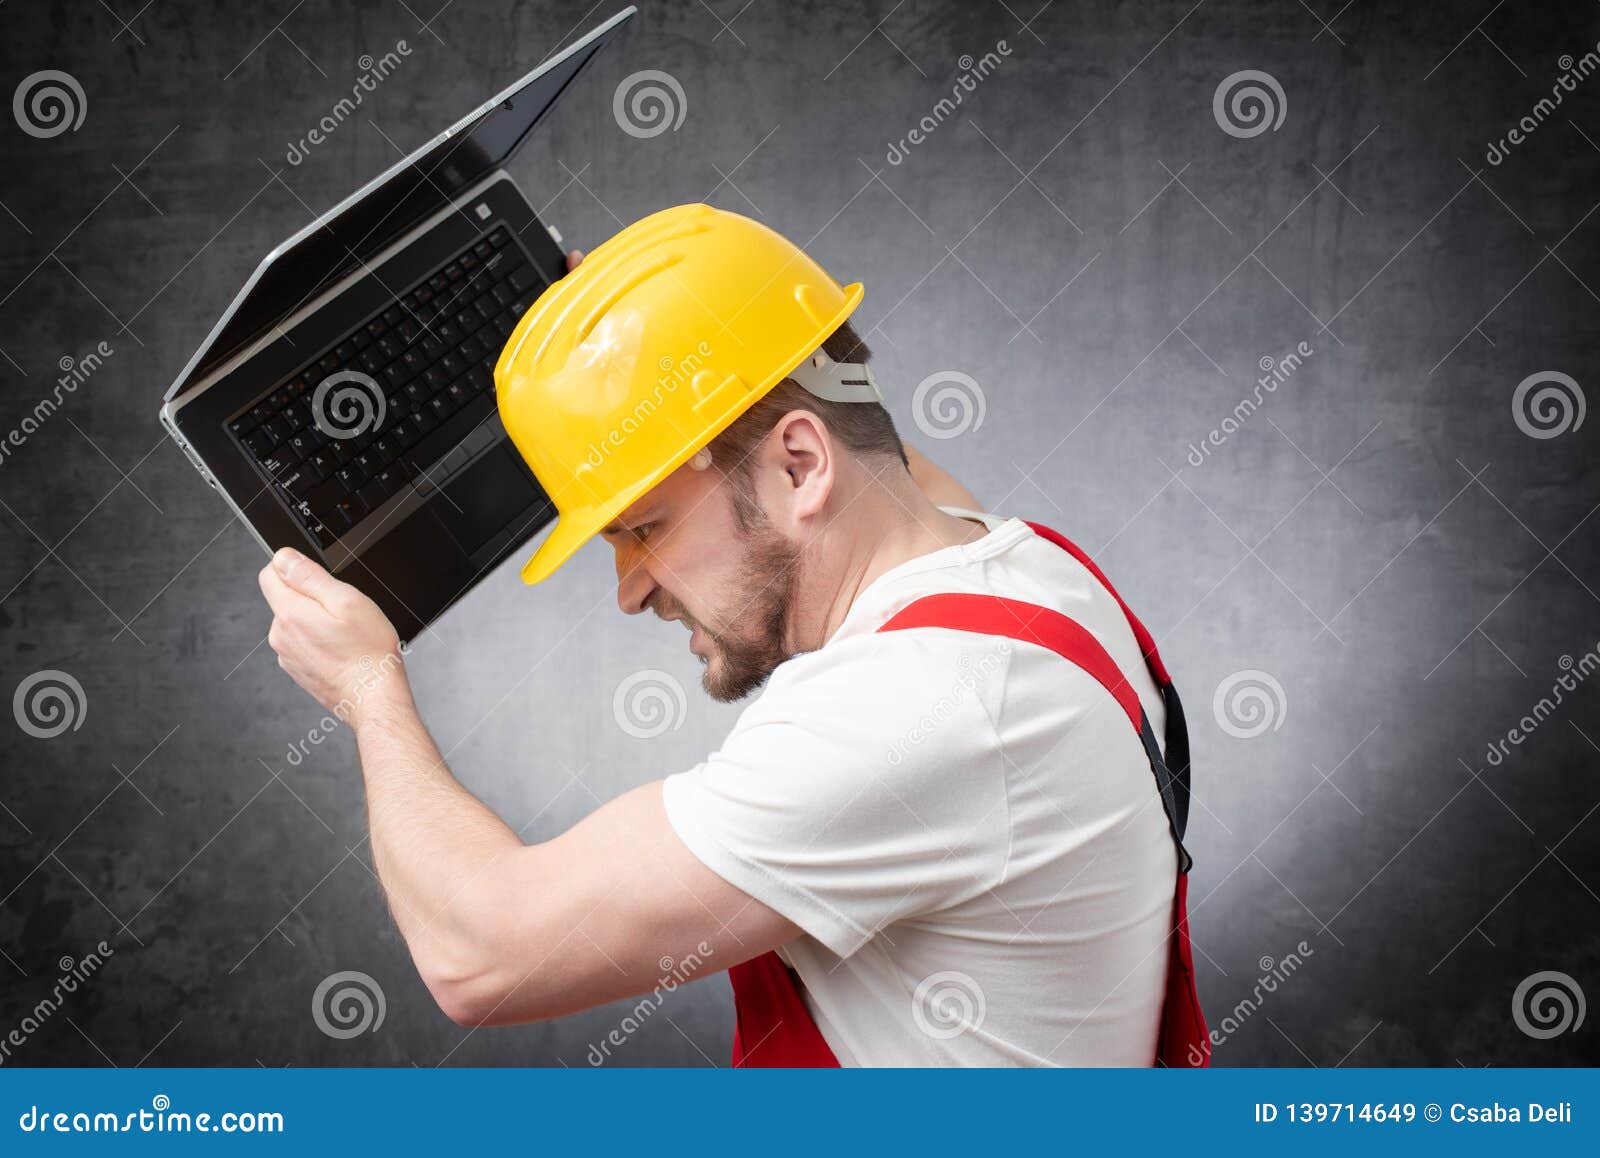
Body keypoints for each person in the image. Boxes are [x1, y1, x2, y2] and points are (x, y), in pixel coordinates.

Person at [258, 203, 1205, 1066]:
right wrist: (628, 354)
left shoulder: (908, 712)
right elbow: (861, 442)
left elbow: (480, 955)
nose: (629, 592)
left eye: (644, 527)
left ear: (801, 466)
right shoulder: (1022, 567)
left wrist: (368, 689)